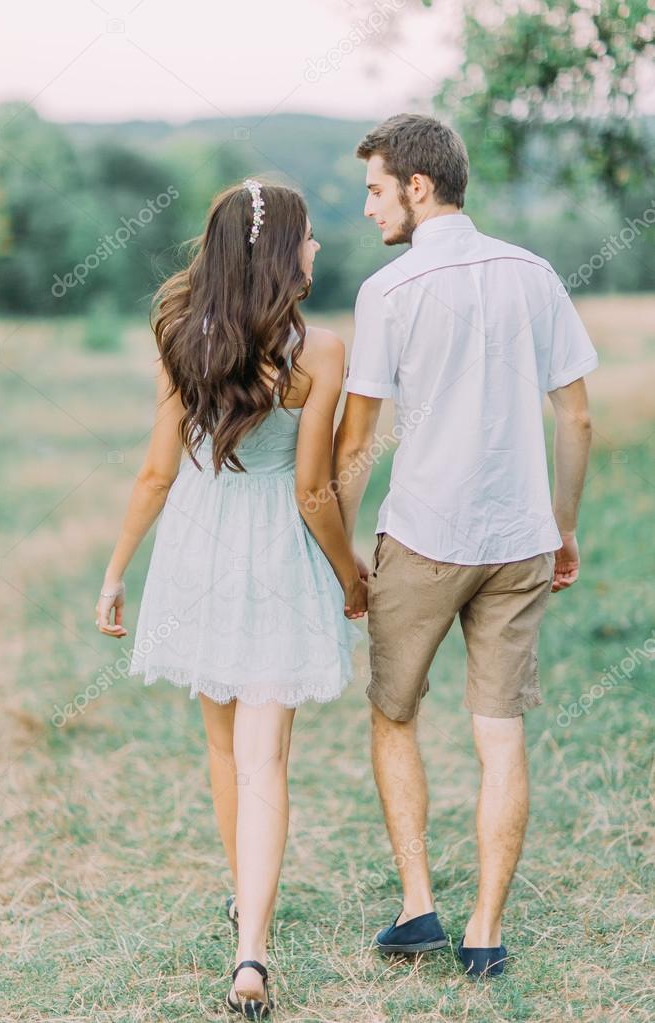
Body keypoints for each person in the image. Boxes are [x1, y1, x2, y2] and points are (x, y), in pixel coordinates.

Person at [333, 114, 598, 980]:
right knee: (501, 733)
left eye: (376, 189)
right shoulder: (535, 273)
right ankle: (484, 930)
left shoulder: (389, 292)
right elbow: (578, 415)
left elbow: (356, 443)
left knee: (393, 713)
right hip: (520, 540)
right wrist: (561, 528)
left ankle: (419, 907)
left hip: (423, 536)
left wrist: (342, 551)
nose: (369, 208)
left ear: (418, 186)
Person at [94, 179, 367, 1018]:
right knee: (265, 761)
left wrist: (116, 571)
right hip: (277, 556)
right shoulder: (320, 348)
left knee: (224, 752)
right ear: (283, 253)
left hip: (197, 552)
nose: (318, 249)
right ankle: (252, 949)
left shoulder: (181, 333)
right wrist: (351, 575)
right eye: (311, 238)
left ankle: (244, 909)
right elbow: (315, 490)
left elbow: (155, 472)